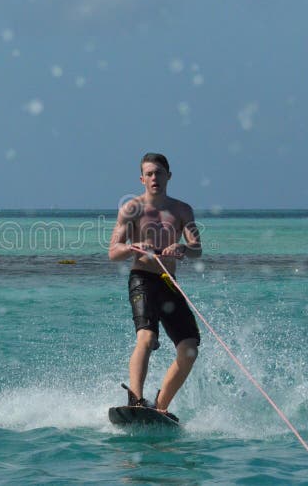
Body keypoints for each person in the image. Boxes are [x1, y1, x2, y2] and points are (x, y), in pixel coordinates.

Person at [108, 152, 202, 420]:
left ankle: (160, 406)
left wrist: (183, 248)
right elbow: (113, 251)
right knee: (147, 338)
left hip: (168, 282)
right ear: (142, 179)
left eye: (159, 173)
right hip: (142, 279)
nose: (154, 178)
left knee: (190, 349)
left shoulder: (183, 210)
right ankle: (136, 400)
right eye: (149, 174)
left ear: (168, 176)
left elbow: (197, 249)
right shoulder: (131, 209)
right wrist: (133, 247)